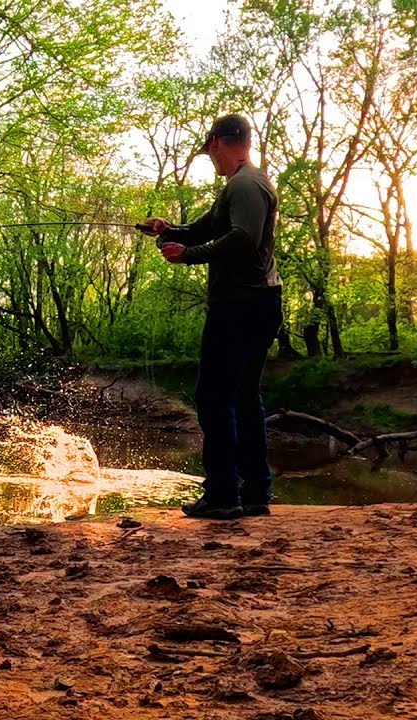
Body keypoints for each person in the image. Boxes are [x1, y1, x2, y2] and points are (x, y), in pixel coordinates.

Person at [143, 114, 283, 520]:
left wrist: (189, 256)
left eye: (211, 153)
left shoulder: (245, 185)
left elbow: (243, 239)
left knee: (214, 397)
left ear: (220, 142)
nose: (212, 160)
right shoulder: (243, 184)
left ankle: (223, 494)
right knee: (242, 397)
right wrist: (168, 231)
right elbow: (205, 228)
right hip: (256, 303)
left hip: (241, 306)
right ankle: (255, 492)